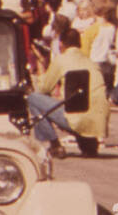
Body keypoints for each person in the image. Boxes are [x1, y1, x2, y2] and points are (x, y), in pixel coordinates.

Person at [28, 28, 108, 158]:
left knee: (33, 98)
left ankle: (54, 144)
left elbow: (43, 90)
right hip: (98, 121)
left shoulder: (61, 59)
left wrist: (42, 68)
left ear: (61, 44)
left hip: (75, 118)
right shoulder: (91, 62)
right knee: (78, 103)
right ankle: (88, 142)